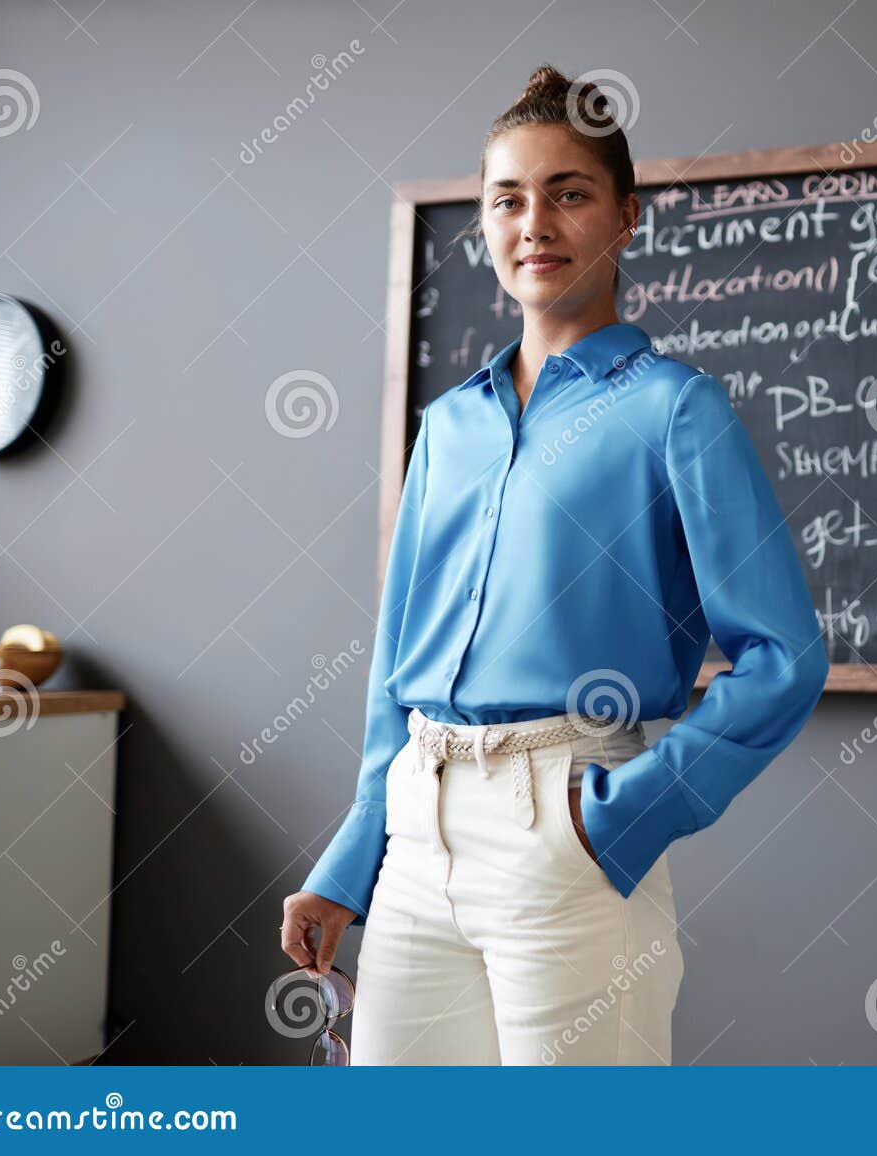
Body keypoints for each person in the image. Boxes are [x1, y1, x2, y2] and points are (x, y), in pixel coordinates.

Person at [278, 63, 829, 1065]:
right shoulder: (446, 429)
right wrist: (353, 859)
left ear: (625, 217)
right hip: (416, 835)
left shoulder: (675, 410)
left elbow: (783, 655)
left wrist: (624, 819)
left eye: (568, 193)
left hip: (565, 829)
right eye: (508, 198)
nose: (535, 221)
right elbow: (397, 666)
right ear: (484, 225)